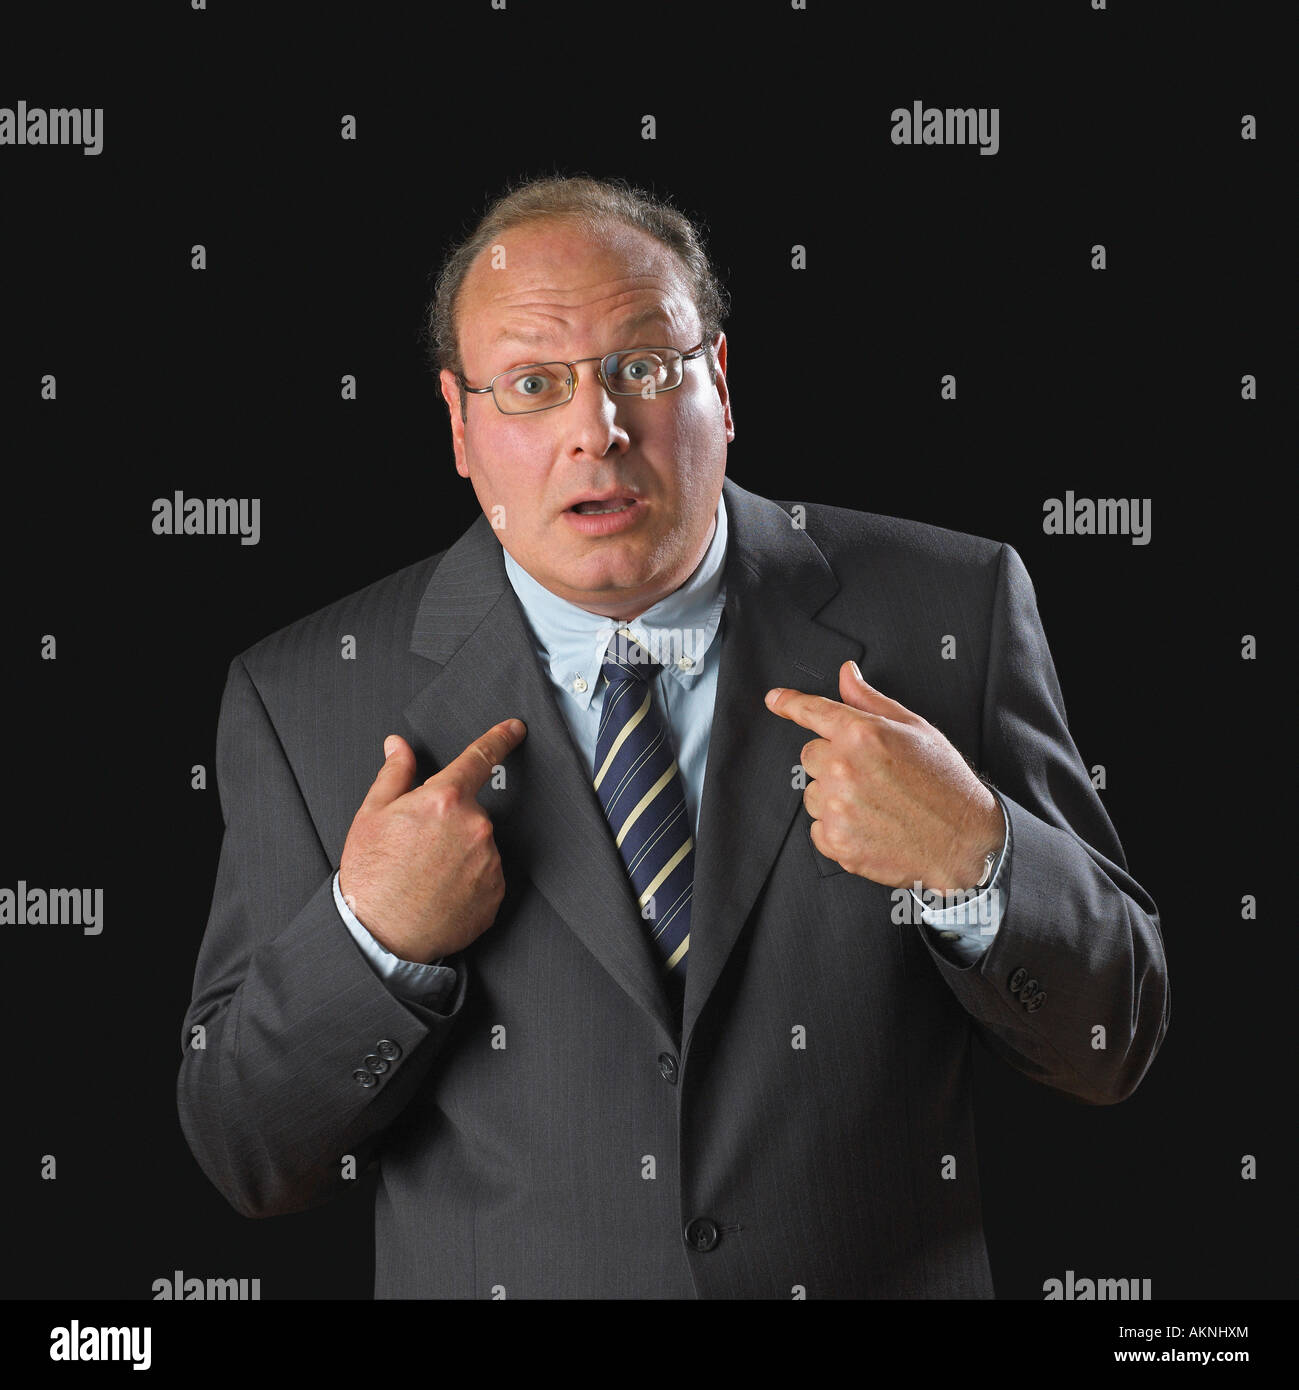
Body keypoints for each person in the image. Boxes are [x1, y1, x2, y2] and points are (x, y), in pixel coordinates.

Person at [177, 174, 1169, 1299]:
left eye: (640, 369)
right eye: (533, 386)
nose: (594, 432)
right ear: (459, 426)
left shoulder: (954, 609)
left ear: (722, 384)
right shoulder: (303, 695)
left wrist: (977, 858)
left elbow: (1114, 1043)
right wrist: (373, 943)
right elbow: (246, 1152)